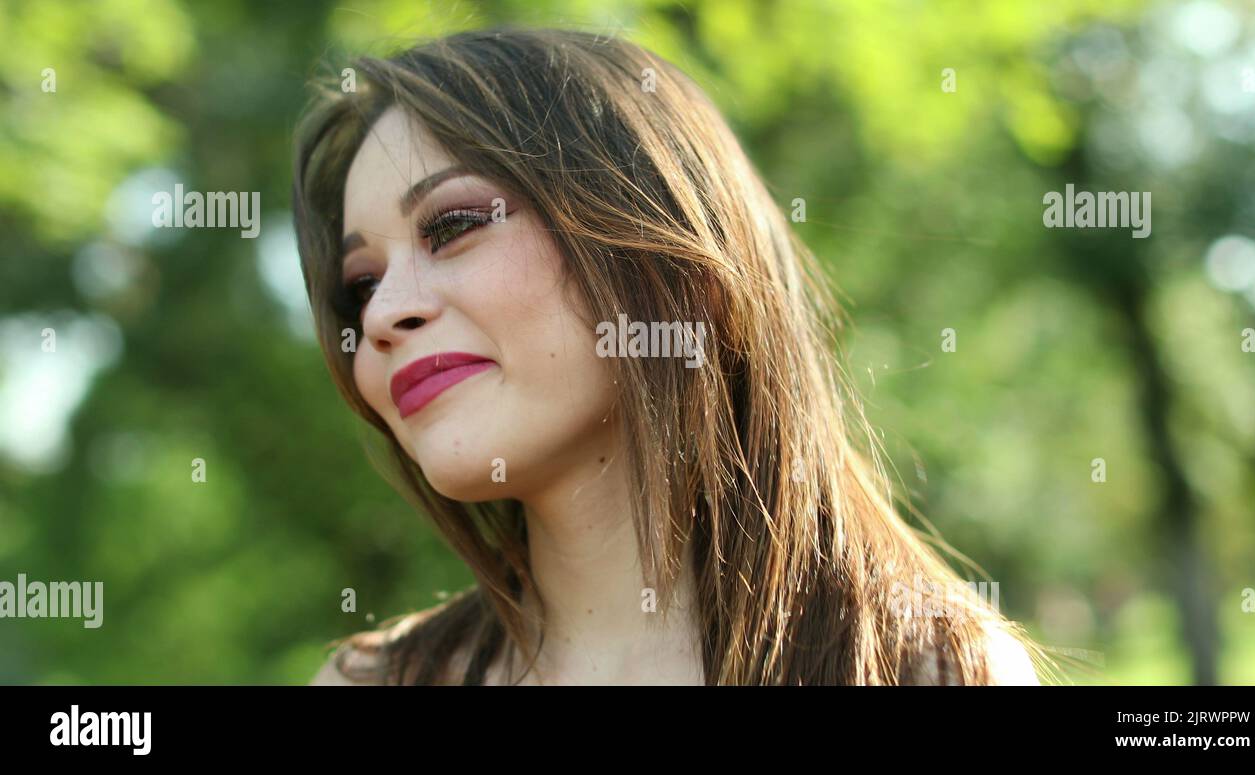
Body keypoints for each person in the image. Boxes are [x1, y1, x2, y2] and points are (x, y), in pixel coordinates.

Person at [292, 27, 1043, 685]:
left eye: (453, 225)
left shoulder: (927, 669)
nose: (381, 315)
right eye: (362, 285)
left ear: (670, 258)